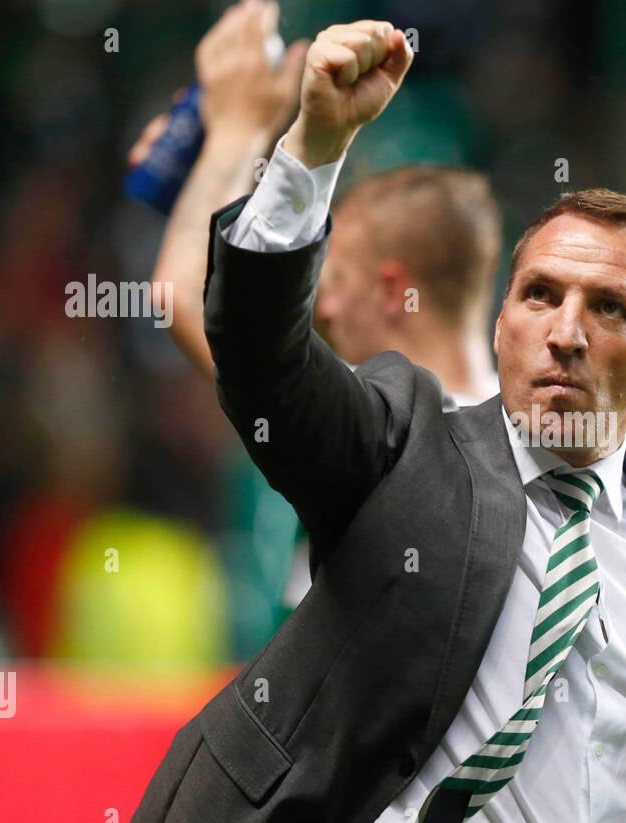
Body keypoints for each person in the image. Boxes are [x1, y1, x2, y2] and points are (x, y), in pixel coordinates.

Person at [123, 20, 626, 823]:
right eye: (539, 296)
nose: (564, 333)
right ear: (498, 323)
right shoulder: (403, 445)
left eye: (609, 308)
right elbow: (257, 352)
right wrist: (314, 145)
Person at [129, 1, 500, 629]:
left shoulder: (403, 446)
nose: (317, 302)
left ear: (392, 292)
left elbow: (191, 298)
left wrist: (238, 131)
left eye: (332, 280)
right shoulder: (501, 440)